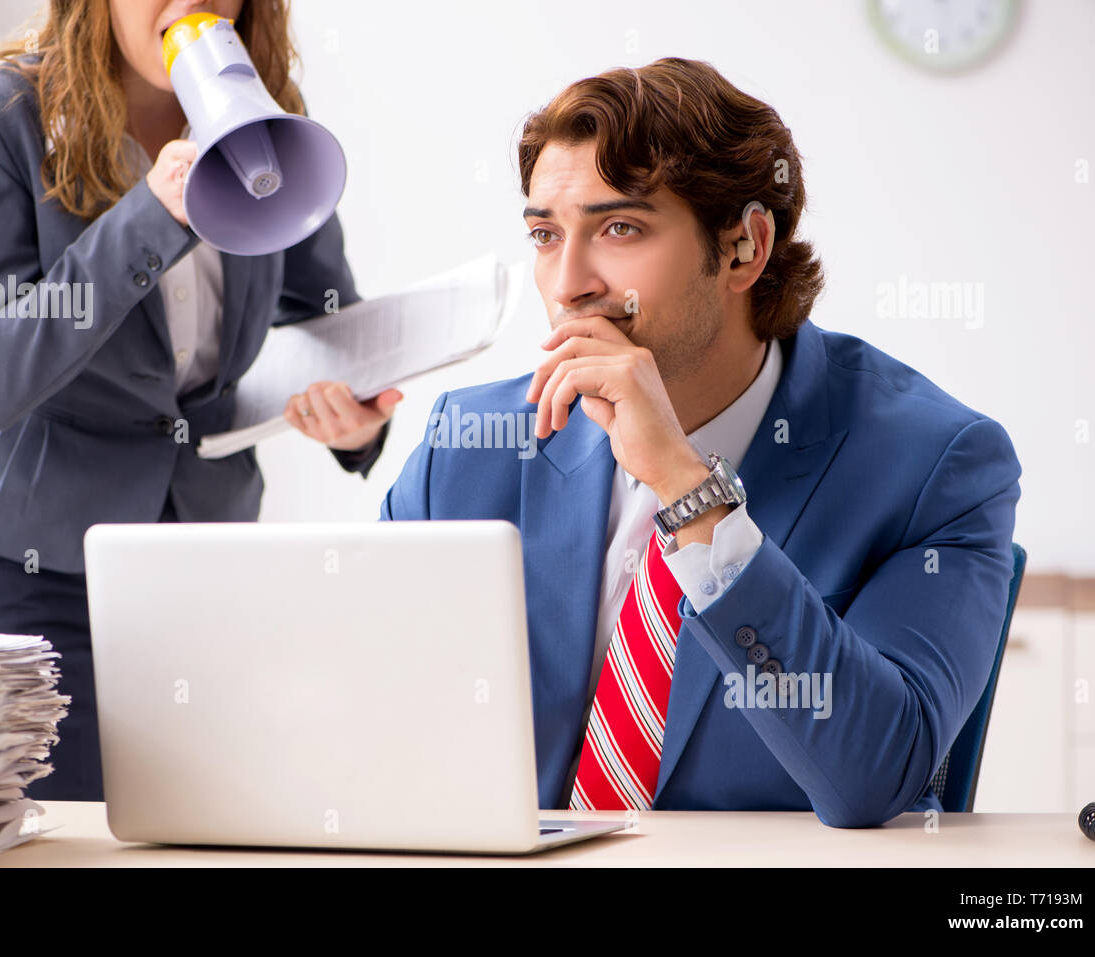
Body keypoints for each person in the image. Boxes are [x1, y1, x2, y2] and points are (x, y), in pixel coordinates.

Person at [379, 57, 1021, 828]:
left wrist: (688, 489)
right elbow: (359, 710)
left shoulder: (937, 465)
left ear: (745, 248)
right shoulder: (468, 447)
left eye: (619, 228)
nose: (567, 283)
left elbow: (875, 778)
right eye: (547, 235)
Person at [0, 0, 400, 801]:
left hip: (206, 563)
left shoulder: (269, 119)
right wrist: (152, 215)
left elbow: (324, 317)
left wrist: (353, 422)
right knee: (52, 845)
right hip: (39, 570)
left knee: (207, 831)